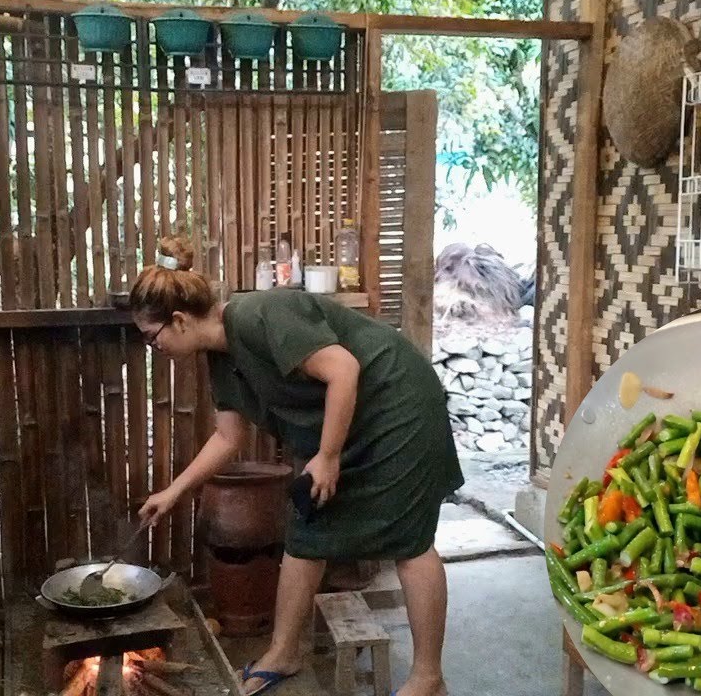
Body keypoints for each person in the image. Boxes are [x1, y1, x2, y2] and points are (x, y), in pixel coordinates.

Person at [133, 236, 463, 696]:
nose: (155, 348)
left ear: (180, 320)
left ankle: (429, 677)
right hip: (348, 418)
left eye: (153, 338)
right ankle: (284, 652)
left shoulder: (260, 314)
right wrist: (174, 491)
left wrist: (327, 457)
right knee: (307, 527)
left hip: (397, 403)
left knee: (408, 540)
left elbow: (344, 369)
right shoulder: (220, 360)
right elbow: (229, 437)